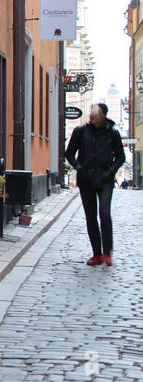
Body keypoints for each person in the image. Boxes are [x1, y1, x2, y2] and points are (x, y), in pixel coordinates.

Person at [66, 102, 126, 266]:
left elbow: (121, 157)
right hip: (86, 180)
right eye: (91, 112)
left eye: (96, 113)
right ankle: (97, 254)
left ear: (103, 115)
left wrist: (110, 172)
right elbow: (69, 153)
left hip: (105, 180)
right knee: (90, 217)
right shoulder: (80, 132)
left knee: (105, 214)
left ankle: (107, 253)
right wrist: (79, 168)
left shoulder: (112, 133)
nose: (92, 115)